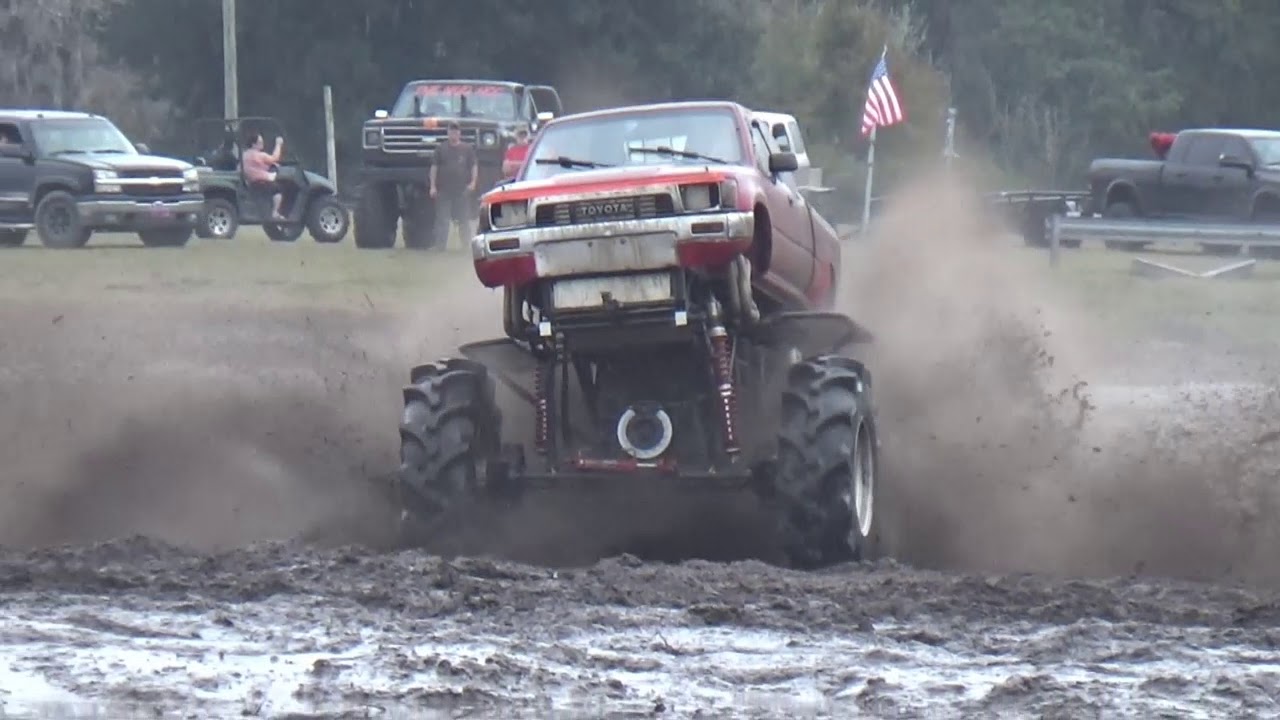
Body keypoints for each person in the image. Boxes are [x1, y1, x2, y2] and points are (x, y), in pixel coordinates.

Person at [429, 121, 478, 250]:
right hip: (443, 190)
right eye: (451, 131)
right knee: (442, 220)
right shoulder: (441, 149)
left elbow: (473, 166)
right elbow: (434, 168)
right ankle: (440, 246)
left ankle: (466, 246)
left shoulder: (467, 149)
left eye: (456, 131)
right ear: (448, 132)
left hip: (462, 190)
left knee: (464, 219)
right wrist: (432, 186)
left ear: (459, 133)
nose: (454, 133)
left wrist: (473, 182)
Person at [242, 130, 286, 220]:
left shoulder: (244, 155)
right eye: (260, 142)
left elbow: (259, 165)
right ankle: (275, 212)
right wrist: (278, 144)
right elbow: (275, 158)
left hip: (251, 183)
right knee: (278, 190)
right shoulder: (259, 155)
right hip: (262, 182)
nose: (262, 144)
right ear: (253, 144)